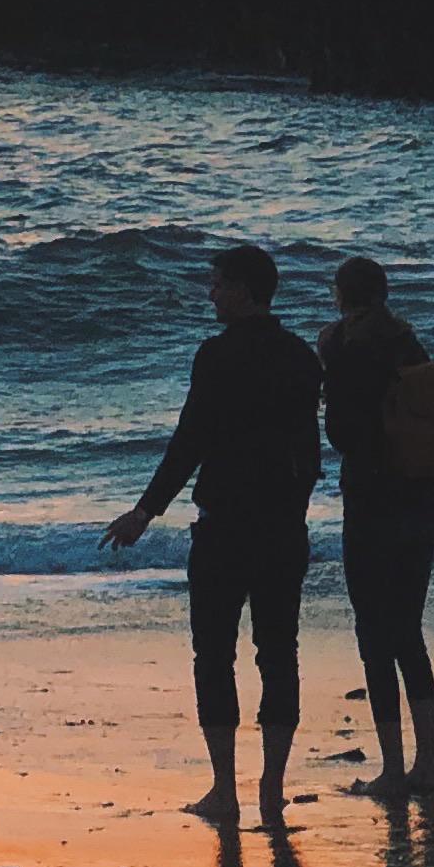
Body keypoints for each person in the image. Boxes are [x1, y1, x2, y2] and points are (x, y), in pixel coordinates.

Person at [104, 242, 322, 825]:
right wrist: (294, 505)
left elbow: (189, 442)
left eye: (220, 283)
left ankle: (225, 789)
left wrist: (145, 512)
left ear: (246, 291)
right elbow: (312, 453)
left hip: (225, 527)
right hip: (281, 529)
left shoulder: (217, 357)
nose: (212, 293)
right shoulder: (302, 358)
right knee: (279, 654)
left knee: (214, 656)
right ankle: (271, 789)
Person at [319, 253, 434, 804]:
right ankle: (428, 765)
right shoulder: (409, 344)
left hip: (371, 500)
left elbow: (343, 434)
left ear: (343, 296)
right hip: (420, 496)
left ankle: (393, 770)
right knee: (409, 631)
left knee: (374, 634)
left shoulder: (348, 350)